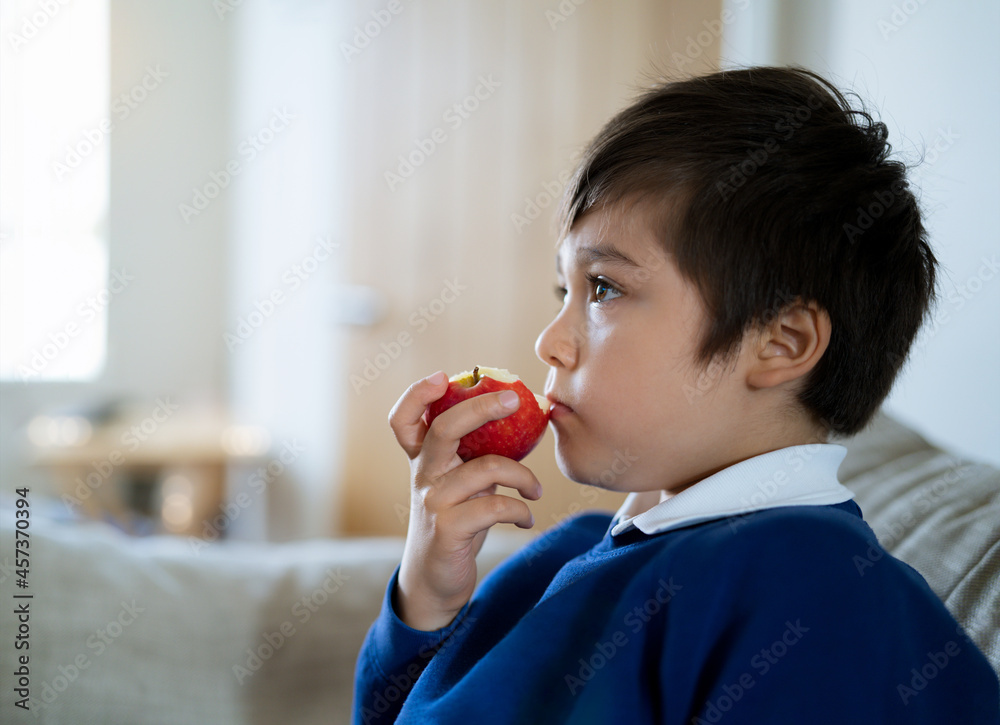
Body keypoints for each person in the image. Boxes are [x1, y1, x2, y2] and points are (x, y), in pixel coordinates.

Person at [352, 66, 1000, 724]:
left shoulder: (817, 591)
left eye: (604, 287)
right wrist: (426, 598)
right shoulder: (570, 551)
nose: (550, 340)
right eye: (563, 291)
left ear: (781, 342)